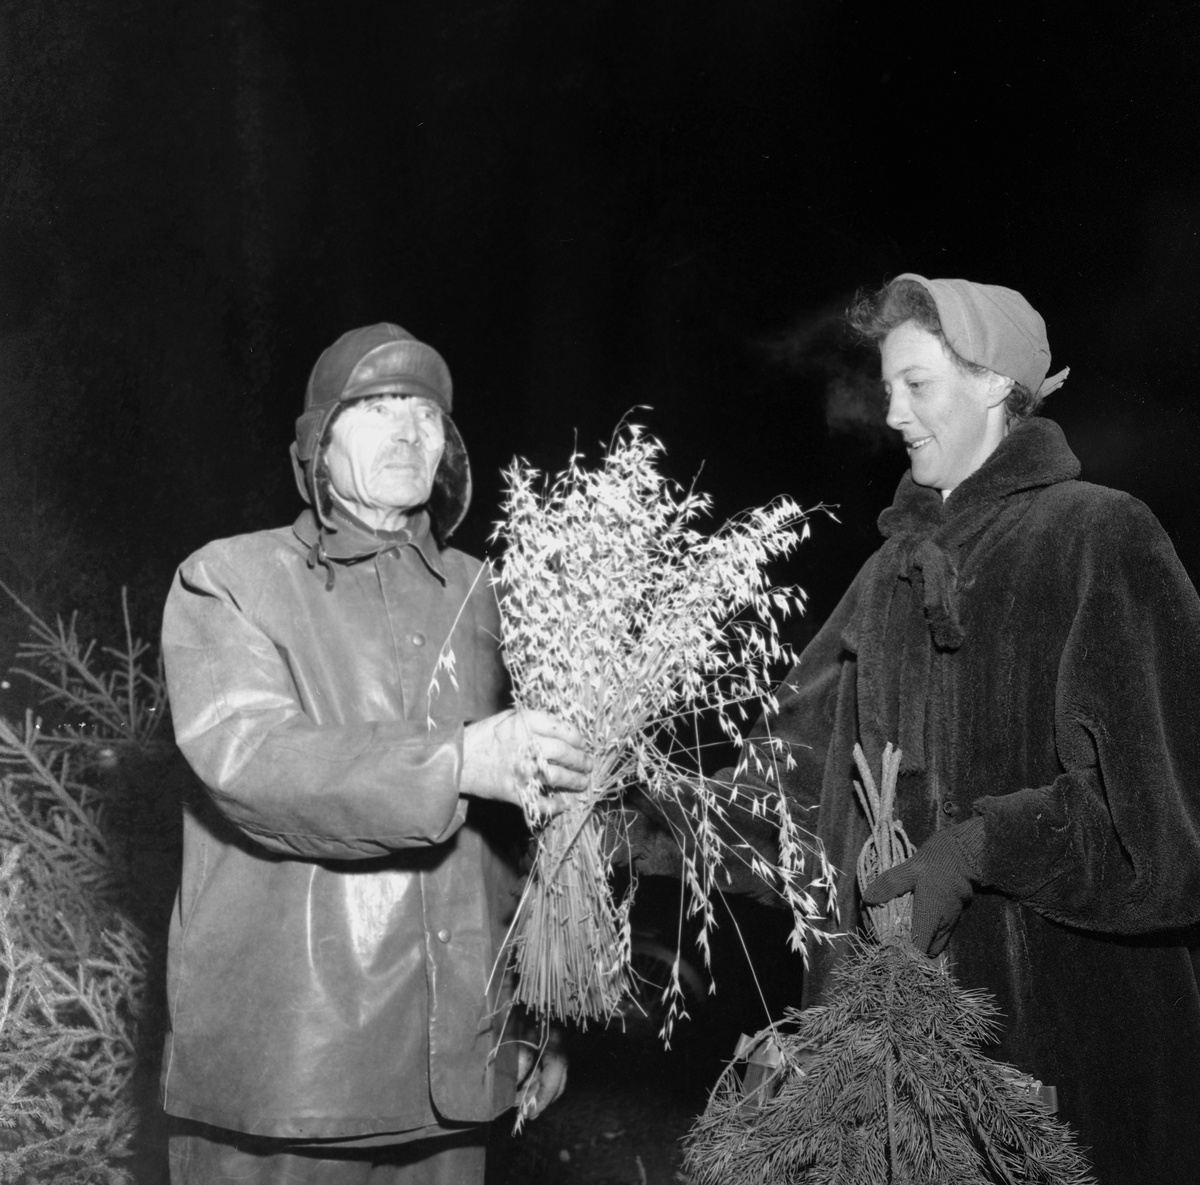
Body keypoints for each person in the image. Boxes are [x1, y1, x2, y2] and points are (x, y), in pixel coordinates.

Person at [622, 274, 1200, 1181]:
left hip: (1059, 1055)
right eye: (886, 386)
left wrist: (977, 848)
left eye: (917, 384)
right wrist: (629, 813)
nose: (892, 411)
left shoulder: (1101, 538)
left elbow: (1165, 835)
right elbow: (784, 787)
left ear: (997, 384)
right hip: (877, 1076)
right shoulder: (887, 572)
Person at [160, 323, 591, 1184]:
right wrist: (457, 763)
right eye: (377, 407)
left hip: (458, 1070)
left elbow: (530, 840)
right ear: (318, 443)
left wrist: (539, 1019)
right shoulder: (230, 580)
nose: (407, 430)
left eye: (427, 413)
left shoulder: (490, 598)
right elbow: (256, 761)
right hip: (293, 1073)